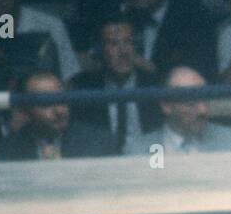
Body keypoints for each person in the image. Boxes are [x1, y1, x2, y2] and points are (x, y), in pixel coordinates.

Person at [69, 16, 163, 153]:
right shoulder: (83, 87)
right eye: (113, 44)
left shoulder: (155, 85)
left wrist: (156, 170)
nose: (123, 51)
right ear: (100, 50)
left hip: (149, 160)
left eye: (128, 42)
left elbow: (161, 140)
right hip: (102, 165)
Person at [125, 66, 231, 155]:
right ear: (167, 106)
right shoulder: (142, 151)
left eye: (205, 100)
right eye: (191, 104)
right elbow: (152, 183)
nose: (203, 110)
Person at [0, 71, 115, 160]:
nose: (59, 111)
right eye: (47, 103)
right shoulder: (8, 150)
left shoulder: (98, 143)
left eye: (62, 99)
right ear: (26, 110)